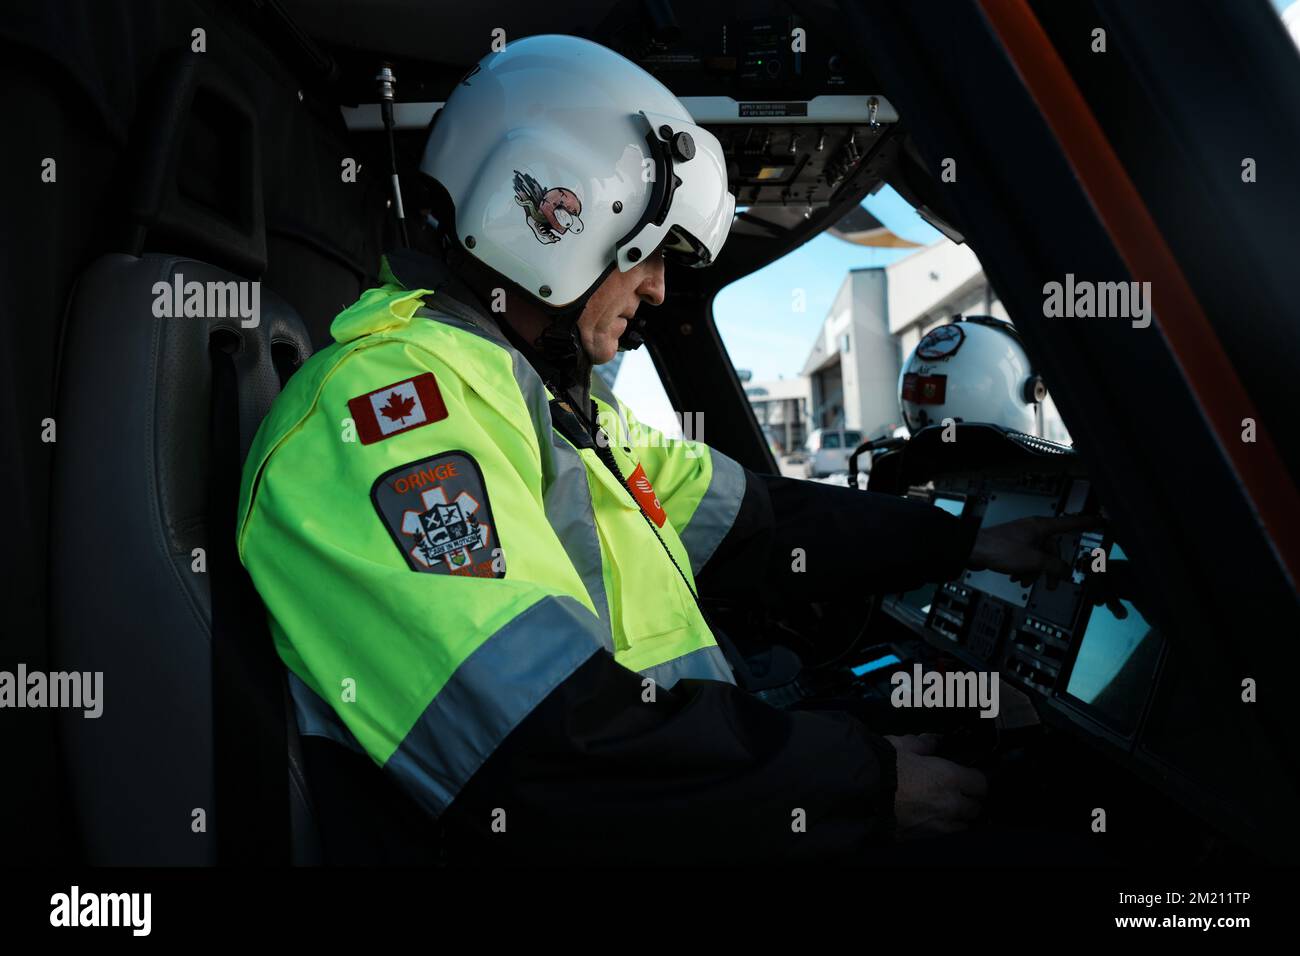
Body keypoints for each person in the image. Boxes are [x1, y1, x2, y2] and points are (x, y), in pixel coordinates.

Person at [237, 34, 1086, 863]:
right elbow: (543, 749)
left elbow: (758, 520)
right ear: (554, 216)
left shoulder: (543, 404)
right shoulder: (388, 410)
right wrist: (862, 784)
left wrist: (967, 541)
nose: (657, 288)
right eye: (649, 252)